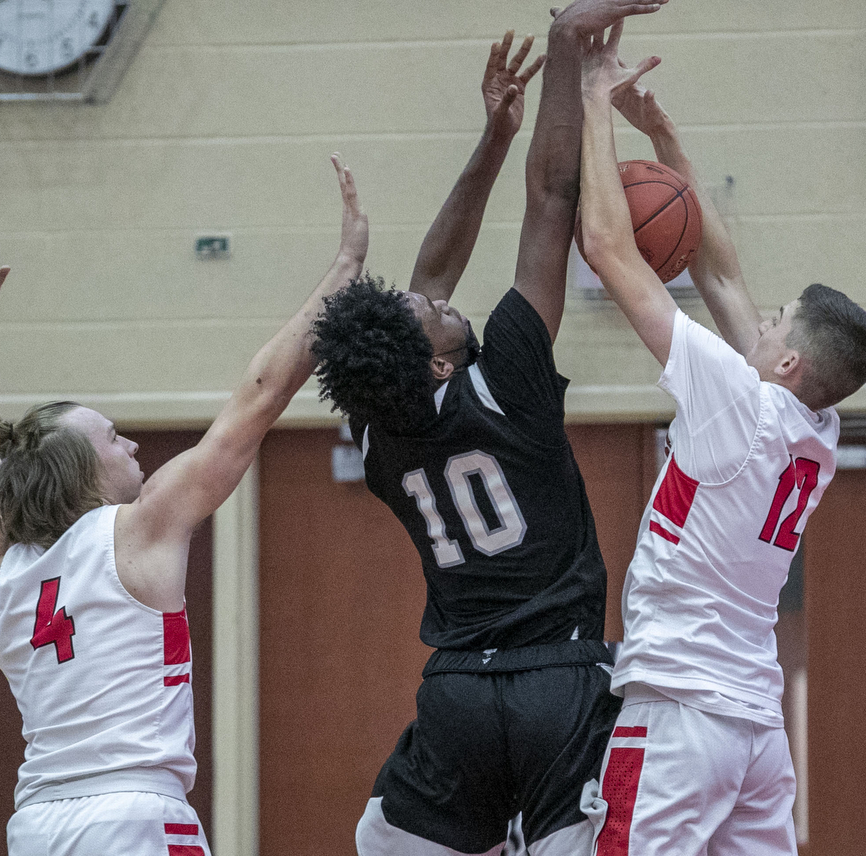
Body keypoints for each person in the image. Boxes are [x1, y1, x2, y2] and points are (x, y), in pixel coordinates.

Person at [0, 155, 367, 856]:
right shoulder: (139, 529)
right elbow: (259, 397)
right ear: (84, 473)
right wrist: (343, 272)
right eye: (112, 437)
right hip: (132, 815)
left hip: (37, 824)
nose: (130, 444)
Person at [310, 3, 666, 854]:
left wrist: (495, 135)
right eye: (434, 314)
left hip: (459, 694)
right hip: (559, 683)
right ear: (437, 365)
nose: (441, 300)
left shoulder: (376, 434)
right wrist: (565, 41)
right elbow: (554, 198)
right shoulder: (505, 380)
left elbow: (430, 276)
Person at [577, 23, 866, 856]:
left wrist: (596, 102)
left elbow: (606, 246)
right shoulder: (814, 430)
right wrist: (664, 136)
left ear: (787, 361)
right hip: (753, 724)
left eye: (777, 319)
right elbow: (718, 272)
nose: (763, 316)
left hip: (681, 710)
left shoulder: (738, 401)